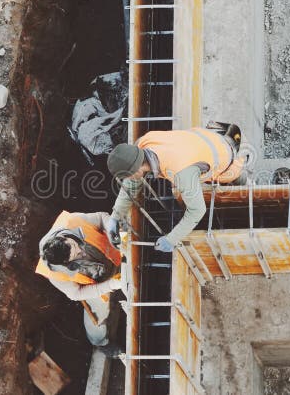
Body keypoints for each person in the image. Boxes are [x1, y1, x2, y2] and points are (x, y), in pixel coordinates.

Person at [105, 123, 247, 252]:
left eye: (127, 176)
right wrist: (115, 217)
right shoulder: (143, 143)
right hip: (207, 137)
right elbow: (132, 185)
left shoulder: (181, 172)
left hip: (227, 154)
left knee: (236, 183)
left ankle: (243, 173)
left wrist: (171, 239)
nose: (127, 180)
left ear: (136, 170)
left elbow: (197, 211)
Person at [35, 211, 123, 351]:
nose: (81, 251)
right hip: (98, 283)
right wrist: (110, 285)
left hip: (116, 255)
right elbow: (76, 293)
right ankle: (102, 344)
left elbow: (101, 218)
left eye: (75, 245)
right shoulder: (55, 275)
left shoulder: (73, 222)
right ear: (65, 263)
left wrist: (114, 231)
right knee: (97, 324)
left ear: (64, 237)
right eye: (76, 255)